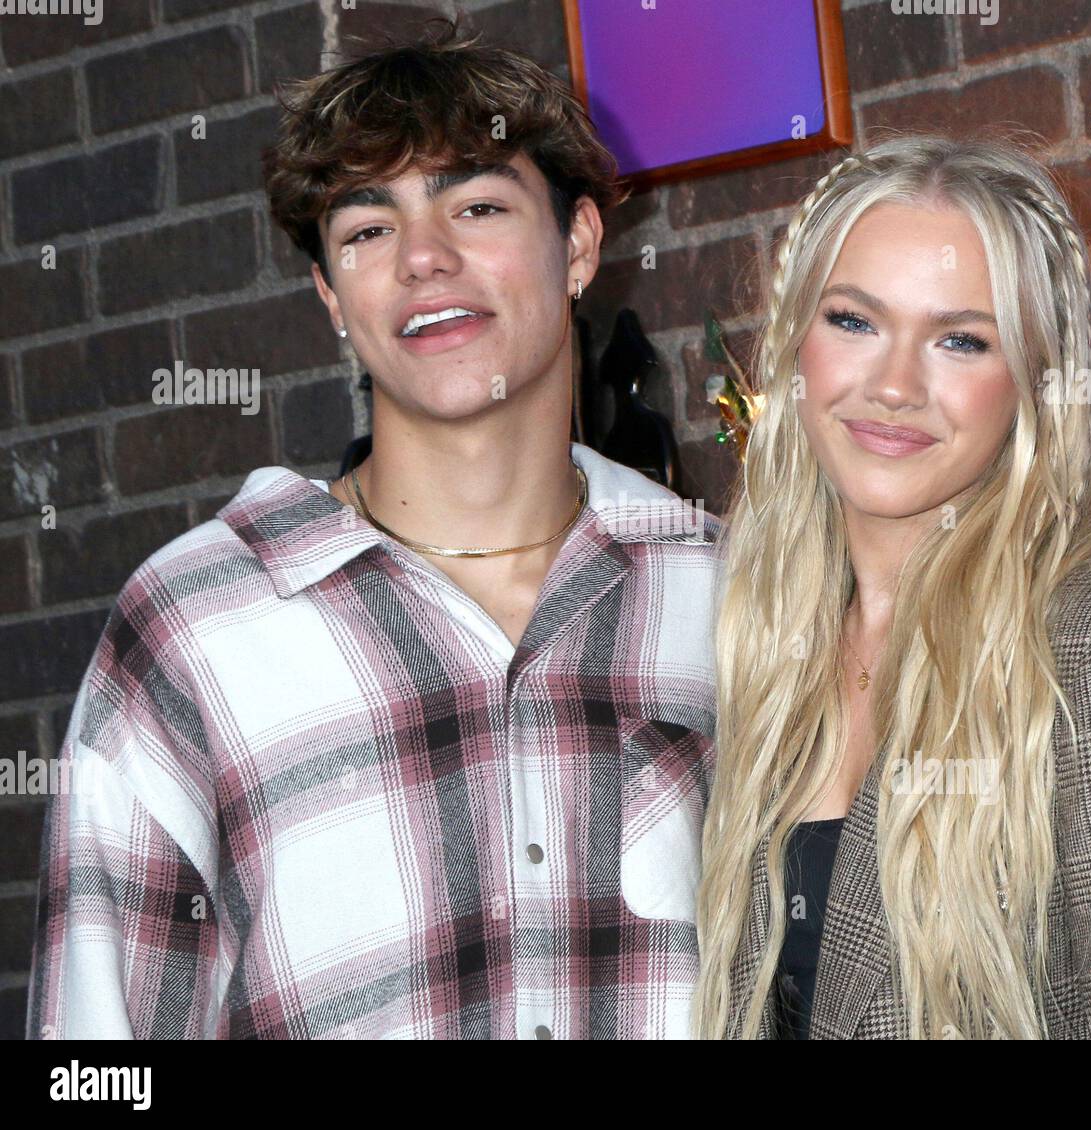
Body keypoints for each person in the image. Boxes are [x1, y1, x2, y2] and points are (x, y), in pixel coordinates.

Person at [27, 23, 721, 1040]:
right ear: (331, 296)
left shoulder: (724, 587)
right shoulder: (198, 626)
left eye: (476, 206)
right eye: (366, 231)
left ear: (576, 245)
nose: (423, 259)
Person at [693, 134, 1091, 1040]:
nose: (894, 386)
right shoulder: (775, 643)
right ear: (793, 352)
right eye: (854, 321)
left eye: (961, 340)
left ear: (1036, 385)